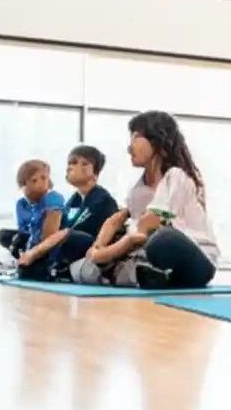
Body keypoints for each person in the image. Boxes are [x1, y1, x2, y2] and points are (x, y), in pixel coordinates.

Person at [70, 111, 220, 290]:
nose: (130, 147)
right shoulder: (138, 188)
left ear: (157, 141)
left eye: (137, 137)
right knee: (80, 264)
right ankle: (151, 276)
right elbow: (115, 220)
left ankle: (130, 272)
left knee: (162, 239)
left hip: (195, 258)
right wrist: (97, 246)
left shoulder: (176, 177)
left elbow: (142, 232)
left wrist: (101, 256)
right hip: (143, 252)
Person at [14, 145, 119, 281]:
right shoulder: (74, 200)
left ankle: (50, 265)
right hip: (64, 245)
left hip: (89, 249)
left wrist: (34, 252)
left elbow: (68, 233)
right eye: (70, 163)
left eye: (79, 163)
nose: (70, 167)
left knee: (67, 236)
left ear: (94, 172)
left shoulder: (102, 199)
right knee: (16, 238)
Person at [1, 160, 66, 278]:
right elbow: (23, 231)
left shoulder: (53, 199)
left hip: (47, 246)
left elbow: (49, 235)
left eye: (44, 178)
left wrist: (34, 252)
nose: (41, 184)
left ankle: (51, 266)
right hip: (32, 241)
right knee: (4, 235)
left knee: (30, 272)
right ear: (24, 184)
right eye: (34, 180)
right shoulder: (22, 204)